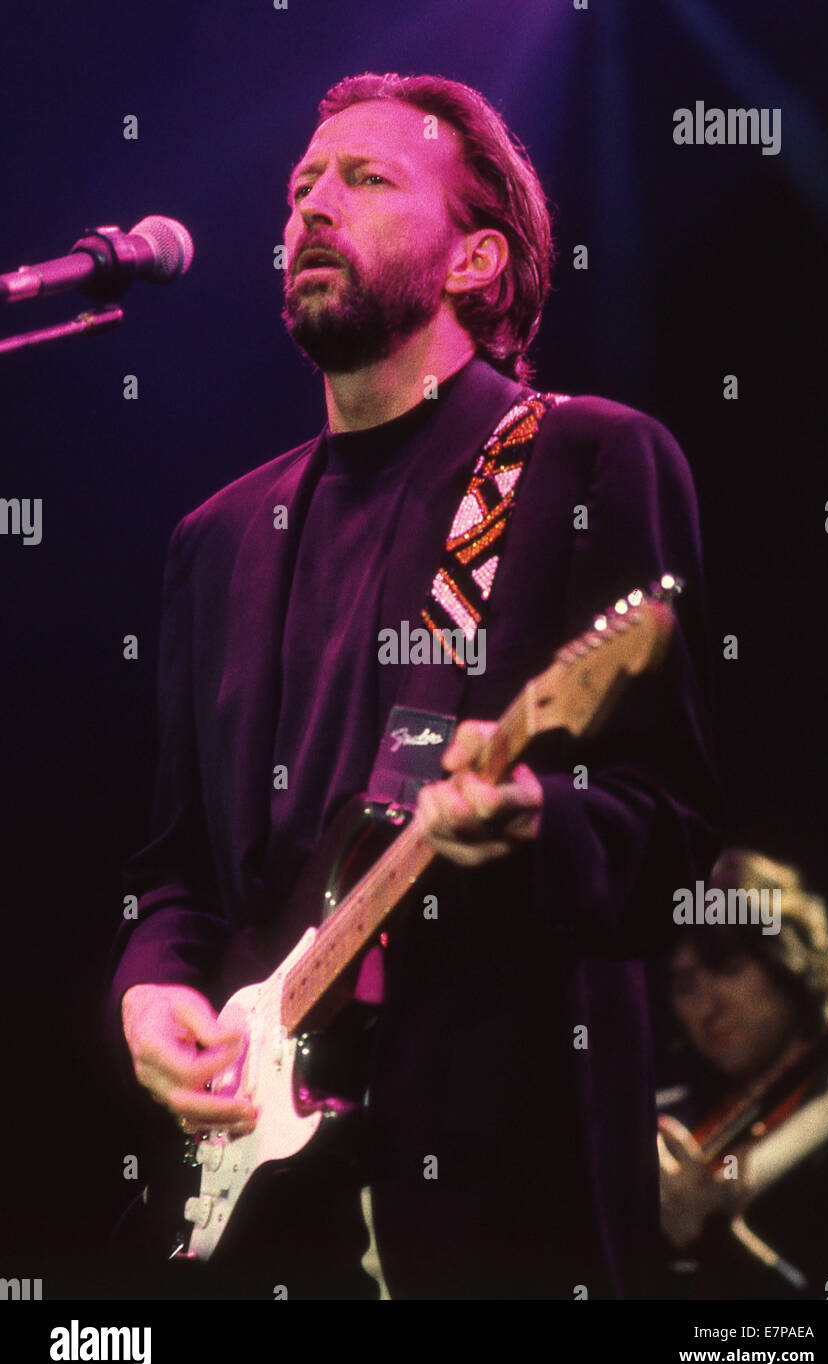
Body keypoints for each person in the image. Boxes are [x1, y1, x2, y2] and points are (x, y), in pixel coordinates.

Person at [109, 71, 719, 1300]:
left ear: (476, 261)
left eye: (366, 179)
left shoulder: (585, 458)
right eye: (299, 190)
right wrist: (152, 988)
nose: (312, 207)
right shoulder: (215, 538)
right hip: (271, 1181)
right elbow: (176, 867)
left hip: (501, 1180)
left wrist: (542, 819)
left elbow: (676, 830)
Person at [656, 848, 828, 1299]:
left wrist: (717, 1242)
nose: (707, 1007)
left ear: (786, 958)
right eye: (684, 985)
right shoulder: (681, 1113)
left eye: (726, 966)